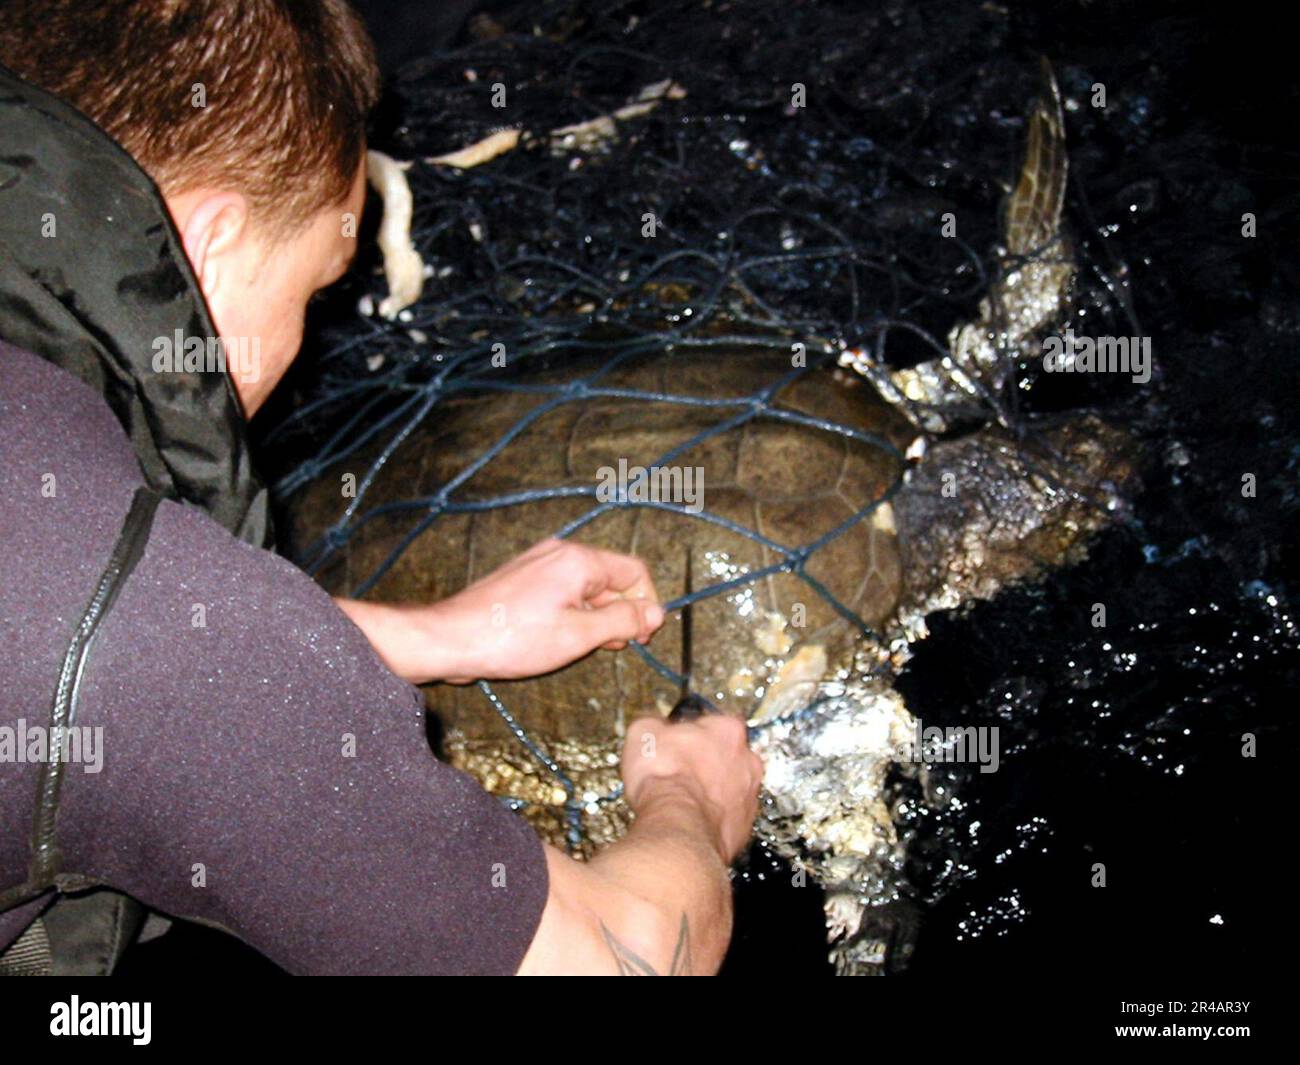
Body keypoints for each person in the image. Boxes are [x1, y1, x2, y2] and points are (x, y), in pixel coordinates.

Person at [0, 0, 762, 976]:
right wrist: (691, 803)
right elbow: (631, 959)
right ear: (211, 238)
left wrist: (443, 635)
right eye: (315, 291)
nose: (307, 344)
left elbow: (101, 640)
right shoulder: (151, 659)